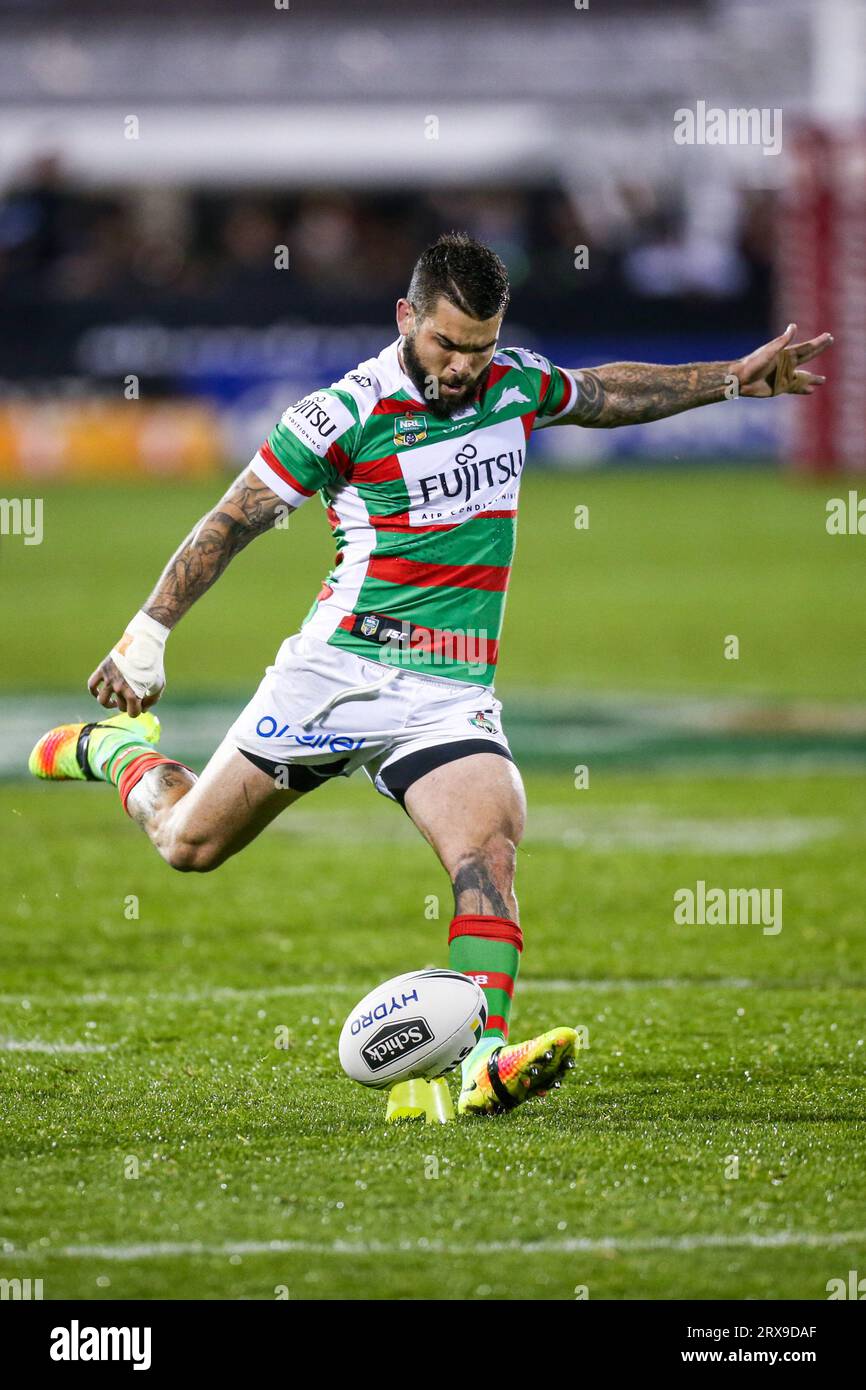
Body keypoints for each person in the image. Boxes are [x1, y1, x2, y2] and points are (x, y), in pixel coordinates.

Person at [29, 232, 832, 1116]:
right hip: (334, 678)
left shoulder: (512, 384)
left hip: (447, 691)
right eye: (448, 344)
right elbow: (232, 520)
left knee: (489, 848)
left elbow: (606, 393)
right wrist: (147, 634)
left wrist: (730, 379)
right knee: (189, 845)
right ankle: (119, 754)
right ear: (406, 317)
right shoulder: (342, 415)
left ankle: (483, 1059)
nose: (463, 367)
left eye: (480, 348)